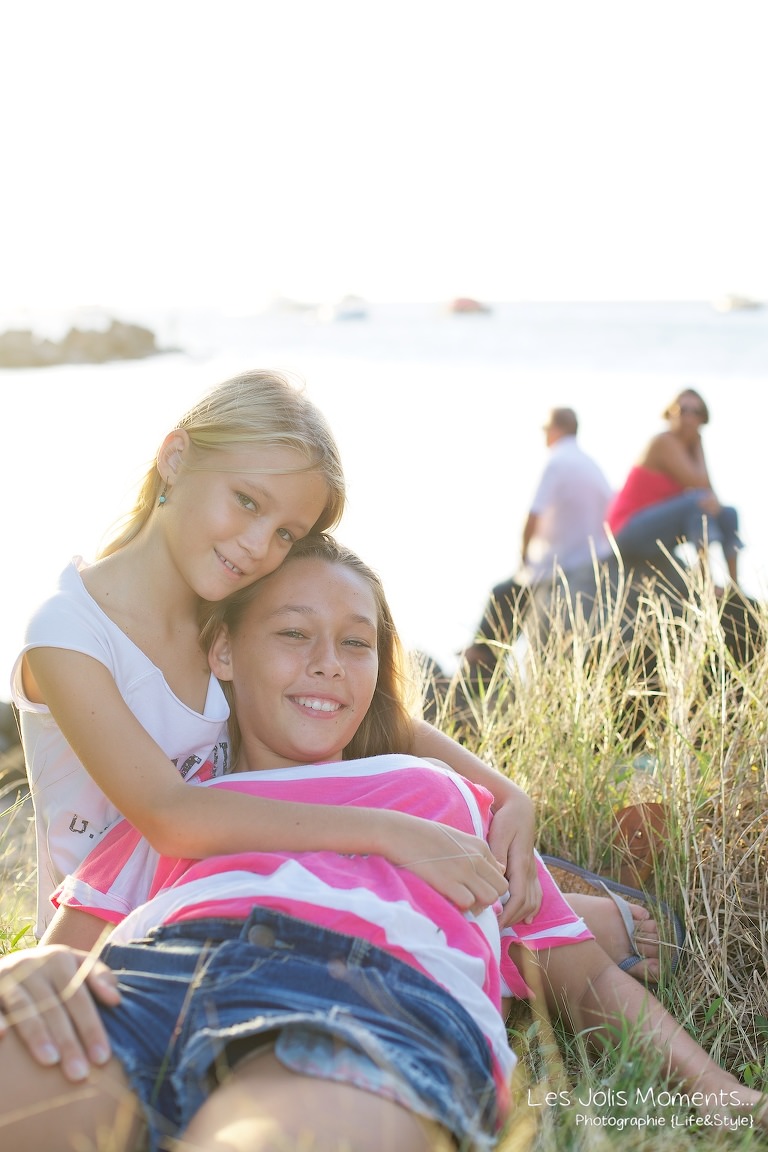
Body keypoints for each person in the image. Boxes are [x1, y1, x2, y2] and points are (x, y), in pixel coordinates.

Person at [1, 535, 764, 1151]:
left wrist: (727, 1099)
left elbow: (585, 976)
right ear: (224, 652)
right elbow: (61, 956)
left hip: (362, 995)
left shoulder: (443, 794)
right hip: (151, 979)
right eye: (293, 633)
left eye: (355, 643)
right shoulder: (178, 807)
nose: (327, 663)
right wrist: (26, 969)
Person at [463, 407, 613, 673]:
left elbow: (533, 515)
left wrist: (523, 556)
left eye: (545, 429)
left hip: (559, 562)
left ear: (556, 429)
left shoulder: (555, 462)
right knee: (520, 598)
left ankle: (482, 657)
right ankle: (487, 656)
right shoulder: (592, 465)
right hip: (590, 559)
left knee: (505, 594)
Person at [606, 388, 741, 581]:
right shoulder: (663, 442)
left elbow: (711, 495)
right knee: (696, 502)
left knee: (729, 514)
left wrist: (696, 445)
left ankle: (734, 587)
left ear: (703, 418)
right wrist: (698, 444)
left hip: (656, 530)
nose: (688, 417)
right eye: (682, 409)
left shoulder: (689, 448)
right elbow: (698, 485)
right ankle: (706, 585)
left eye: (696, 412)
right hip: (627, 530)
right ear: (670, 413)